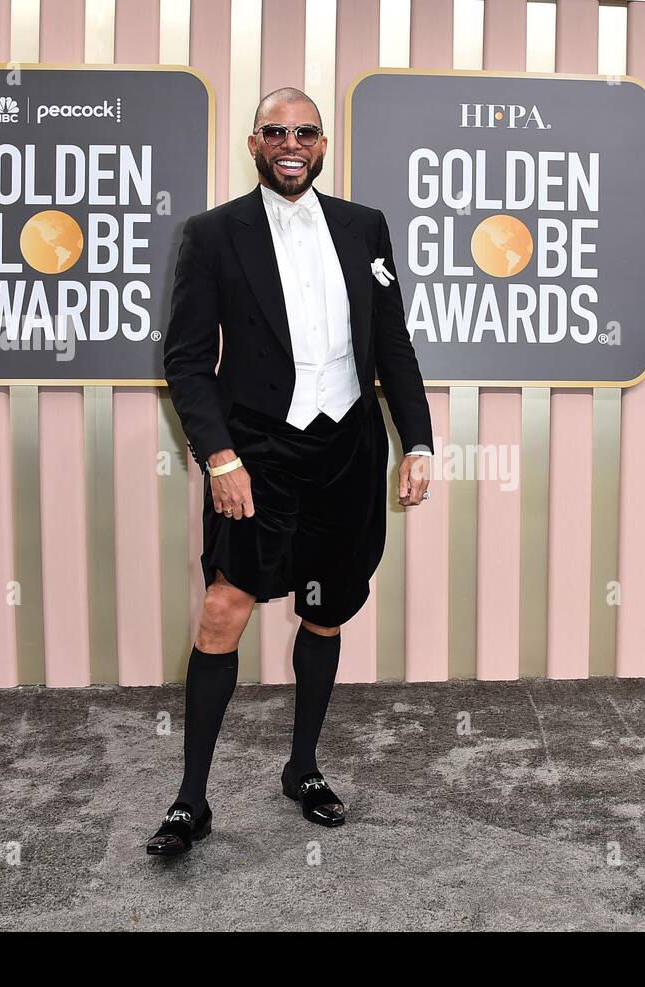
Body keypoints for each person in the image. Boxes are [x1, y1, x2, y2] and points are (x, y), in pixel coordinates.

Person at [146, 86, 433, 856]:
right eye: (276, 131)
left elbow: (393, 343)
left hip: (345, 449)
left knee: (325, 607)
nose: (291, 142)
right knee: (222, 609)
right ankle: (191, 802)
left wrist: (419, 441)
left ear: (323, 143)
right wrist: (219, 456)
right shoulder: (211, 235)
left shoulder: (364, 227)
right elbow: (185, 359)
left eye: (304, 130)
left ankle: (302, 768)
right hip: (257, 454)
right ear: (254, 144)